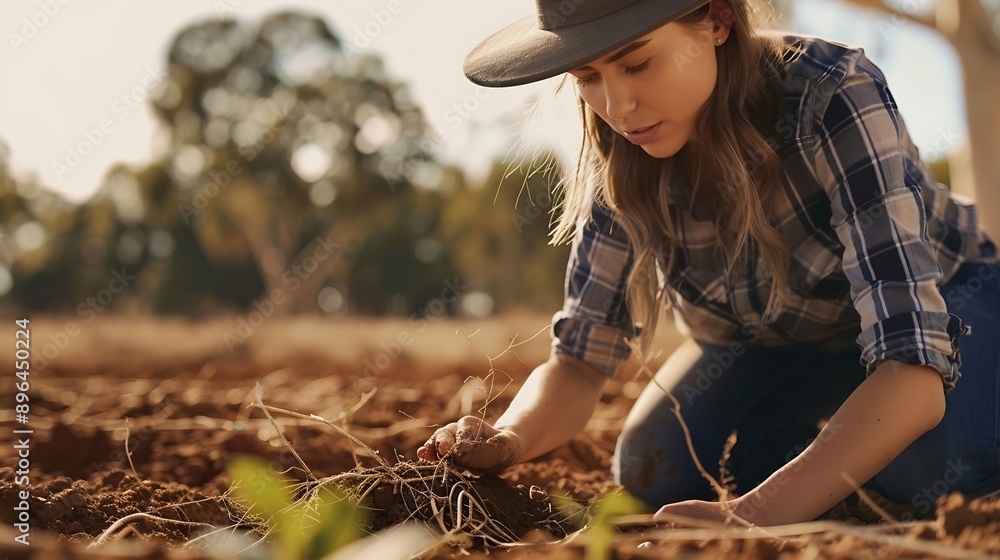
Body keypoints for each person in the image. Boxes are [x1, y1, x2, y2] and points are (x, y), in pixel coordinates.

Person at [416, 0, 1000, 527]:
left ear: (717, 20)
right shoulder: (621, 140)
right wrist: (508, 439)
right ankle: (837, 419)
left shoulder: (832, 92)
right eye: (588, 77)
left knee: (928, 473)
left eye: (637, 64)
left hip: (947, 303)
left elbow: (913, 370)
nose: (618, 106)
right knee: (652, 468)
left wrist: (753, 513)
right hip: (776, 337)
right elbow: (579, 361)